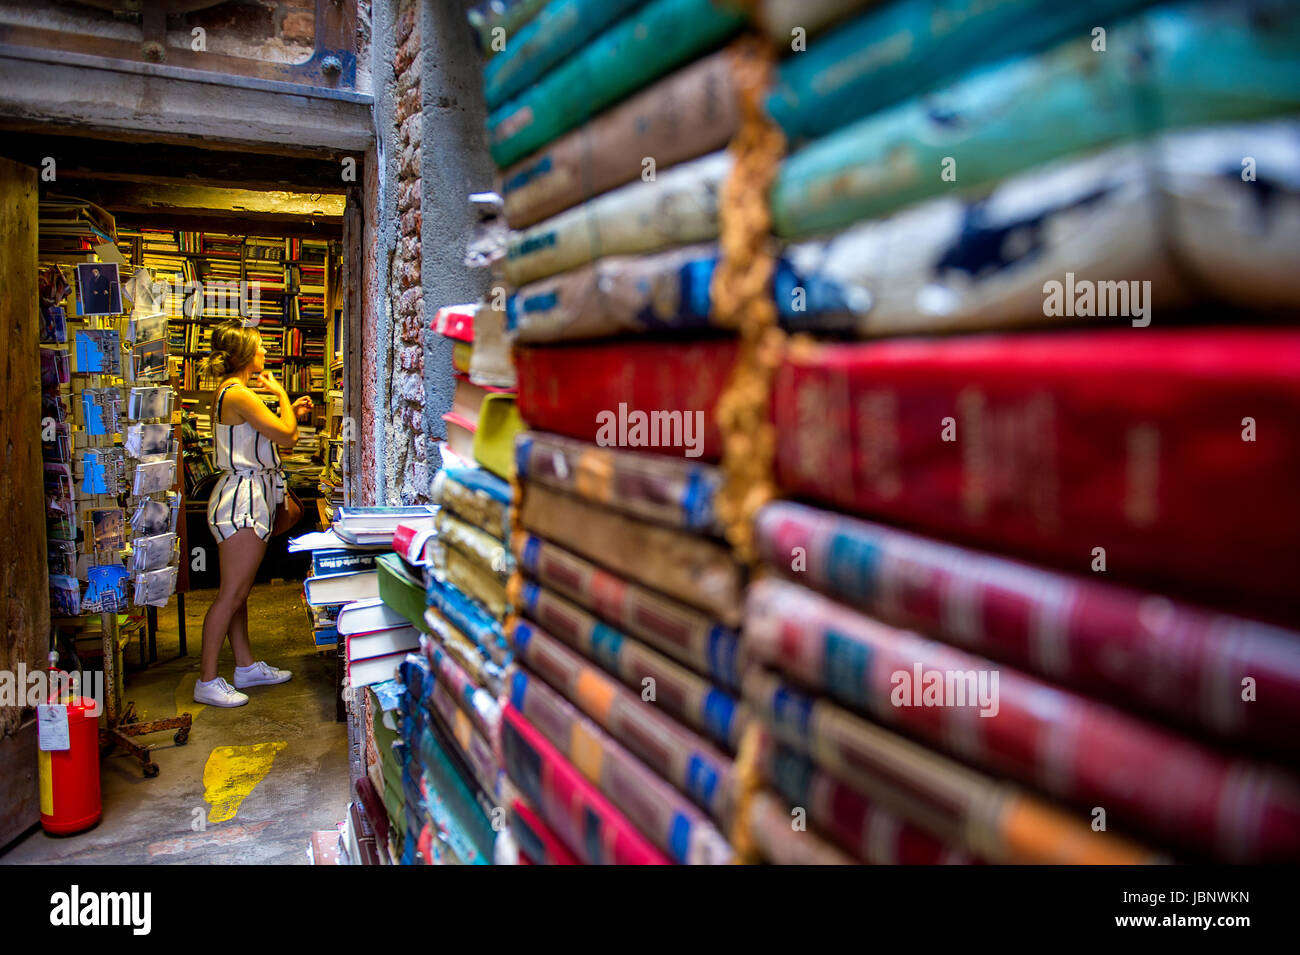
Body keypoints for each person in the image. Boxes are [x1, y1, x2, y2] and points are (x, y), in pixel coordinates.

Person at [193, 321, 313, 707]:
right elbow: (289, 437)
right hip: (242, 502)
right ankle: (207, 680)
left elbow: (262, 433)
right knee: (230, 594)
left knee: (238, 593)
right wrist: (281, 394)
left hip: (244, 494)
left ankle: (244, 666)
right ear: (246, 356)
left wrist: (284, 411)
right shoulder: (241, 394)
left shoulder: (236, 394)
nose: (265, 353)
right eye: (260, 348)